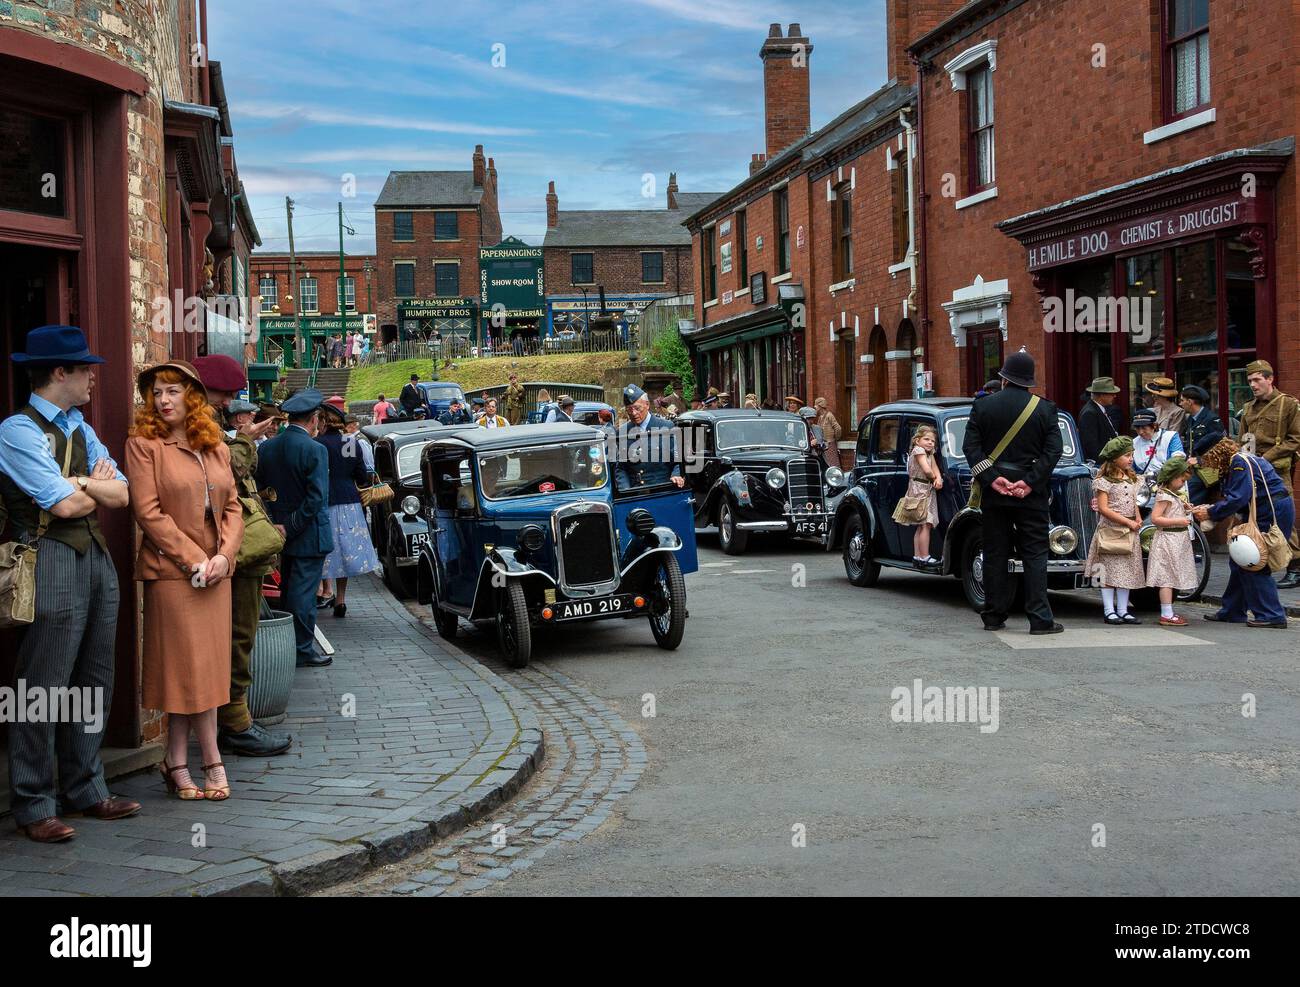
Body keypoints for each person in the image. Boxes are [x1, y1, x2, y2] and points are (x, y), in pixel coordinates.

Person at [0, 325, 137, 842]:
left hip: (95, 559)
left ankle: (85, 787)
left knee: (95, 677)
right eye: (85, 370)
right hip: (47, 558)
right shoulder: (17, 430)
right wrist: (87, 484)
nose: (92, 380)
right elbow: (62, 505)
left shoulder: (81, 425)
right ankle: (34, 803)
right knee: (42, 684)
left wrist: (84, 485)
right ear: (60, 372)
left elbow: (121, 494)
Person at [127, 361, 243, 801]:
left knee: (203, 673)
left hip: (216, 575)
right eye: (157, 393)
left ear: (192, 396)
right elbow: (148, 511)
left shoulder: (214, 445)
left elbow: (232, 507)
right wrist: (196, 559)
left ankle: (175, 760)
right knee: (188, 670)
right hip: (173, 574)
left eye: (172, 391)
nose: (163, 400)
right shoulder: (143, 444)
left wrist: (223, 557)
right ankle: (212, 759)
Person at [191, 354, 292, 758]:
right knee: (237, 634)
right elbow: (229, 470)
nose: (229, 402)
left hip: (240, 542)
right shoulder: (203, 427)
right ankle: (234, 722)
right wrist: (247, 438)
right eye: (225, 394)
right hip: (227, 545)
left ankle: (234, 716)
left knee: (240, 633)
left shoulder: (211, 425)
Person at [961, 348, 1064, 635]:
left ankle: (994, 615)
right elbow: (1053, 451)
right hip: (1031, 492)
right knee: (1035, 554)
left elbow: (970, 449)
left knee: (995, 552)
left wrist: (993, 479)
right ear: (1029, 381)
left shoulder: (983, 407)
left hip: (995, 491)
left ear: (1004, 378)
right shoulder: (1045, 408)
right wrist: (1030, 482)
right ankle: (1040, 620)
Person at [256, 389, 334, 668]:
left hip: (276, 530)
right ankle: (301, 649)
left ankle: (288, 645)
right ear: (313, 419)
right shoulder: (315, 449)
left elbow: (261, 490)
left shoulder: (267, 447)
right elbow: (316, 499)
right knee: (303, 595)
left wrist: (276, 522)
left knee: (288, 589)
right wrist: (290, 526)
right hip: (307, 534)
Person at [1194, 438, 1294, 628]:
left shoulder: (1239, 463)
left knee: (1254, 560)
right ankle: (1232, 610)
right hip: (1270, 508)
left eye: (1206, 459)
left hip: (1269, 510)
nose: (1206, 465)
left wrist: (1210, 512)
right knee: (1240, 559)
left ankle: (1272, 614)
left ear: (1215, 453)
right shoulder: (1239, 459)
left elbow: (1238, 498)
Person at [1238, 360, 1300, 588]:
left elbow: (1295, 438)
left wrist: (1266, 458)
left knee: (1282, 517)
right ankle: (1259, 560)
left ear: (1270, 379)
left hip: (1276, 471)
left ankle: (1295, 565)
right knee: (1253, 513)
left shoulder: (1288, 404)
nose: (1253, 385)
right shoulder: (1247, 408)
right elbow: (1244, 440)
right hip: (1252, 470)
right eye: (1250, 381)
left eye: (1257, 380)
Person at [316, 403, 381, 618]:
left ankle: (325, 590)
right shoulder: (349, 443)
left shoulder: (317, 444)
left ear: (323, 421)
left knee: (325, 550)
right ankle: (341, 599)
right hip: (349, 501)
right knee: (345, 551)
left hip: (325, 501)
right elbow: (361, 475)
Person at [1085, 437, 1145, 626]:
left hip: (1129, 531)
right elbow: (1104, 508)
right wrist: (1127, 521)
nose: (1131, 459)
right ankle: (1109, 610)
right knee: (1107, 570)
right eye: (1127, 455)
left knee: (1126, 570)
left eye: (1132, 455)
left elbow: (1135, 502)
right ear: (1114, 458)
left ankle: (1123, 610)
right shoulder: (1104, 481)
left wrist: (1137, 517)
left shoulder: (1132, 478)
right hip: (1111, 530)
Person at [1145, 457, 1199, 626]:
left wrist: (1183, 508)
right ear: (1172, 477)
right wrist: (1178, 521)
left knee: (1172, 575)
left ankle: (1168, 612)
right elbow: (1156, 518)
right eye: (1182, 480)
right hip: (1169, 540)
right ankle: (1166, 613)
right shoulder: (1164, 496)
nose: (1183, 483)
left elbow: (1170, 511)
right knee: (1167, 577)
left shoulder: (1173, 495)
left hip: (1177, 540)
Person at [613, 384, 686, 491]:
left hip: (663, 490)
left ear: (647, 405)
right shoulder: (623, 432)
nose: (633, 413)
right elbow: (621, 468)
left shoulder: (666, 426)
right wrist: (626, 491)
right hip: (635, 493)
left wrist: (676, 475)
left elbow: (677, 460)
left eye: (637, 408)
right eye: (629, 410)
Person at [895, 424, 942, 566]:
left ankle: (917, 556)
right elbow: (927, 470)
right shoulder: (918, 450)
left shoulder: (929, 452)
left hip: (926, 489)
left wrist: (939, 478)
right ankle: (924, 556)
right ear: (917, 440)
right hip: (919, 488)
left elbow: (934, 468)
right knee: (925, 524)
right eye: (926, 439)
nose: (930, 443)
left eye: (933, 441)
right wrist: (934, 478)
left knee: (921, 525)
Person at [1179, 385, 1225, 504]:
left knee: (1187, 495)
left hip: (1208, 469)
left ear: (1190, 402)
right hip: (1192, 467)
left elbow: (1222, 448)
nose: (1180, 403)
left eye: (1182, 400)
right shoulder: (1190, 419)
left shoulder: (1212, 419)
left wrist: (1200, 460)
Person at [1131, 408, 1184, 487]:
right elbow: (1132, 468)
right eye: (1137, 428)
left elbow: (1178, 459)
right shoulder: (1134, 443)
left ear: (1154, 426)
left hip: (1169, 483)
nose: (1140, 432)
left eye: (1144, 428)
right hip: (1144, 487)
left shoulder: (1170, 437)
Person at [1078, 376, 1123, 463]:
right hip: (1100, 465)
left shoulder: (1099, 409)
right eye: (1111, 394)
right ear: (1102, 395)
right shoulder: (1090, 413)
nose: (1114, 396)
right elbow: (1091, 445)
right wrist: (1105, 464)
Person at [814, 397, 842, 467]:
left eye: (816, 406)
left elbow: (838, 428)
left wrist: (834, 439)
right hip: (823, 446)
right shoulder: (820, 417)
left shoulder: (829, 415)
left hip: (830, 445)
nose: (815, 408)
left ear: (820, 406)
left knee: (833, 464)